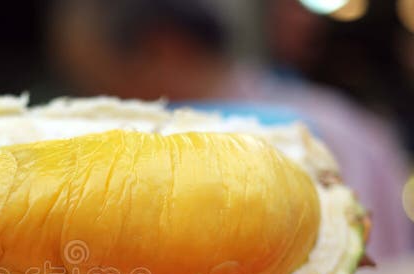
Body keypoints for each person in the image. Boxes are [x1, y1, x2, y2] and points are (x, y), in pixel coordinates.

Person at [50, 0, 413, 259]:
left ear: (162, 49)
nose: (93, 98)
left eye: (96, 81)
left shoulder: (319, 137)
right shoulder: (338, 121)